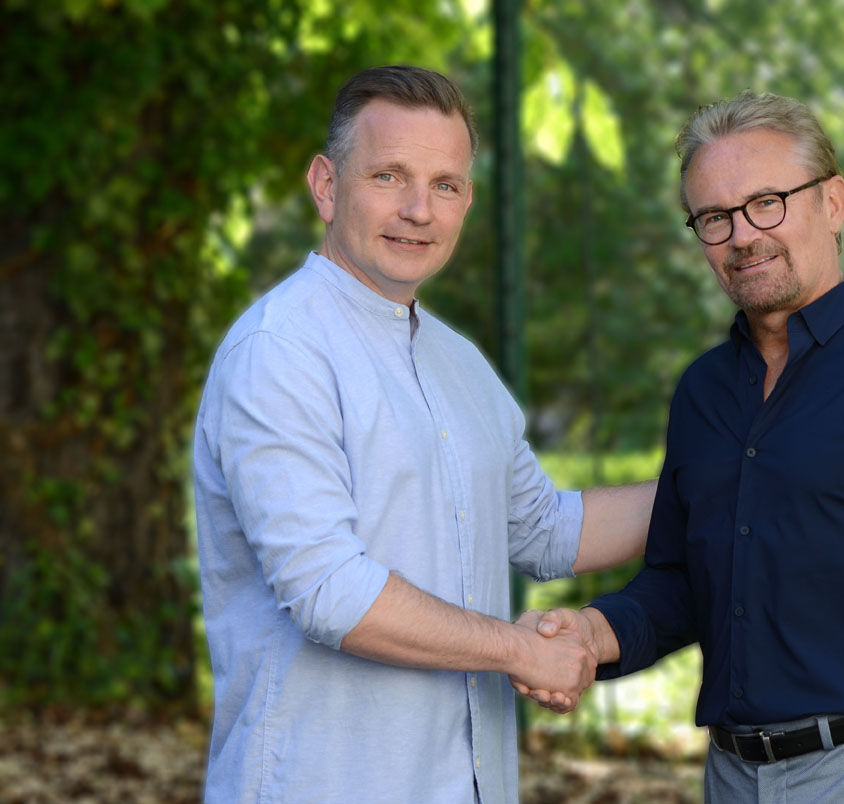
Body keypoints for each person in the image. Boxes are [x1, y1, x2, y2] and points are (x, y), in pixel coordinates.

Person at [517, 91, 844, 804]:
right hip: (732, 776)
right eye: (713, 217)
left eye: (767, 202)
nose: (741, 235)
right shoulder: (703, 391)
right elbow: (678, 585)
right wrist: (586, 632)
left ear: (831, 202)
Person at [193, 65, 654, 804]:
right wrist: (517, 652)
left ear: (466, 201)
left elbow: (542, 530)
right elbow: (329, 591)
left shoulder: (459, 363)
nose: (418, 209)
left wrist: (724, 481)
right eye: (387, 176)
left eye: (444, 185)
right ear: (325, 185)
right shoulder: (279, 351)